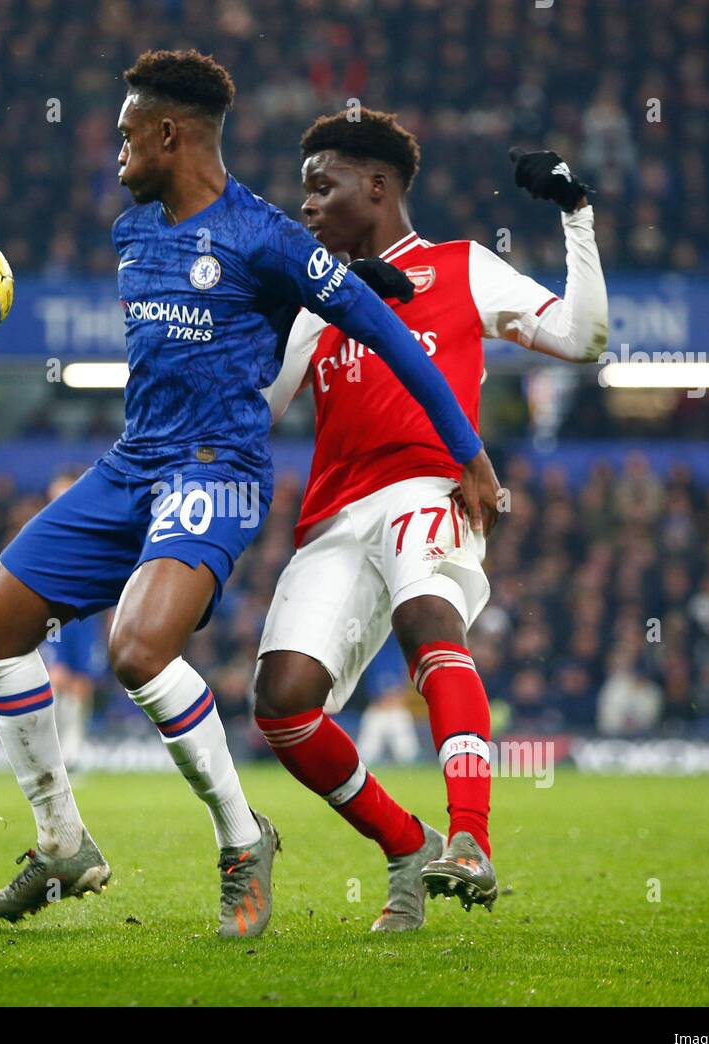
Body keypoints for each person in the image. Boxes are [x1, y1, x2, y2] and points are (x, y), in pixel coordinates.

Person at [0, 52, 502, 938]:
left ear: (171, 134)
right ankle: (62, 842)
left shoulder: (269, 235)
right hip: (133, 465)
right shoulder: (133, 231)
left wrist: (468, 451)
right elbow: (248, 316)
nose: (119, 153)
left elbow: (398, 343)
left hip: (215, 469)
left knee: (137, 651)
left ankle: (243, 840)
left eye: (130, 135)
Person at [254, 109, 608, 929]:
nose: (306, 206)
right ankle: (406, 843)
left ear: (376, 187)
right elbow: (259, 408)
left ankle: (471, 838)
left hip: (429, 486)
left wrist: (576, 216)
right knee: (283, 703)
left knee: (427, 618)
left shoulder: (461, 267)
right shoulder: (319, 297)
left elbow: (585, 337)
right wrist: (278, 307)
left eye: (321, 186)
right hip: (334, 515)